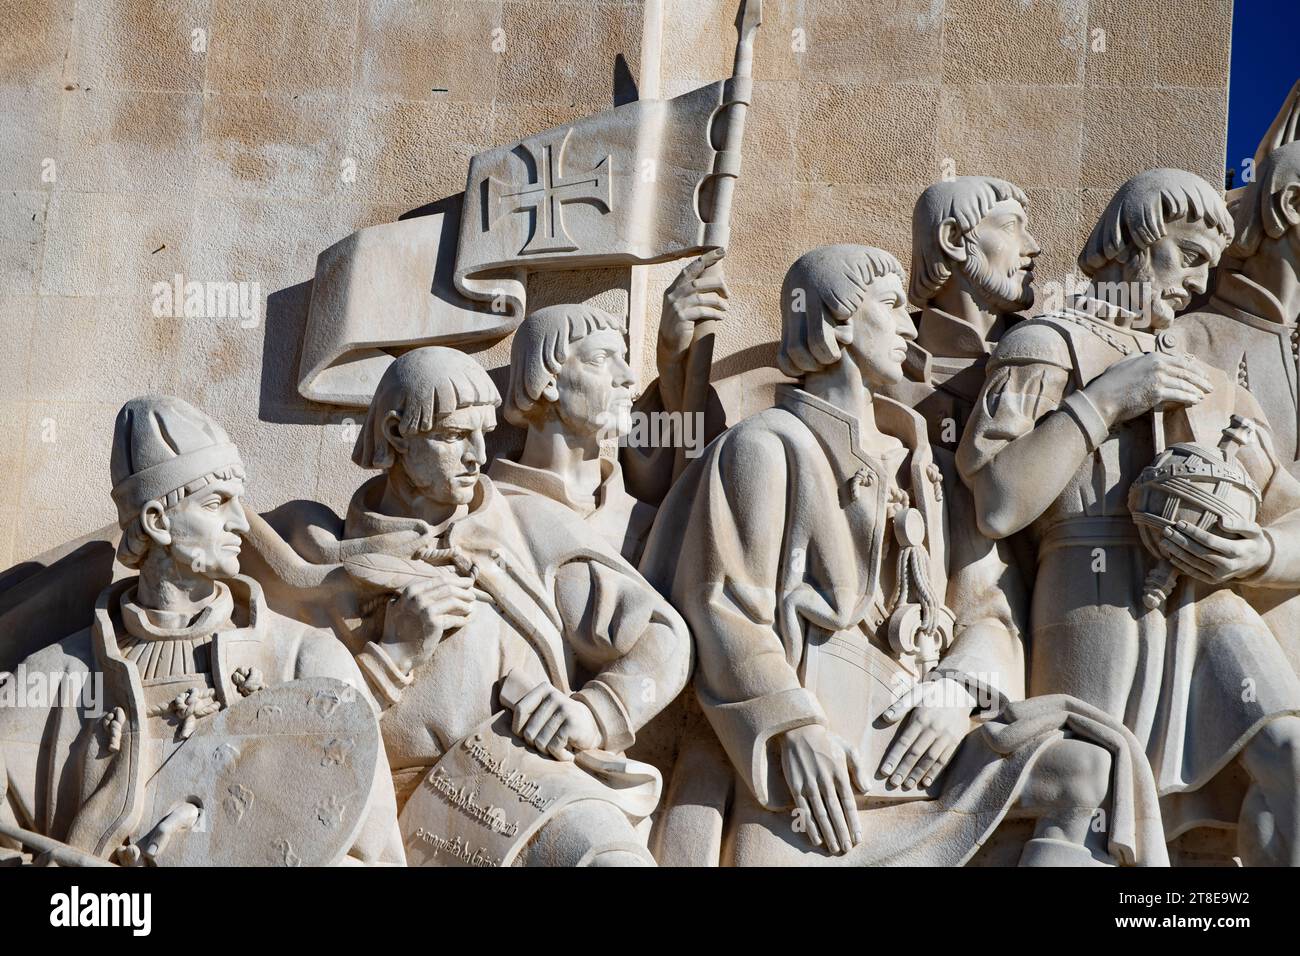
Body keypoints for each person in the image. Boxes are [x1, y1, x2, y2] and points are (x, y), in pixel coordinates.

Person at [641, 244, 1167, 867]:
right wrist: (790, 725)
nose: (909, 324)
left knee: (1088, 771)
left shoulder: (932, 469)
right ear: (833, 325)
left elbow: (990, 610)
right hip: (823, 741)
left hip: (927, 735)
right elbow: (723, 607)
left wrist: (958, 689)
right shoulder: (765, 446)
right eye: (889, 306)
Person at [959, 168, 1300, 864]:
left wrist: (1257, 553)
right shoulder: (1045, 344)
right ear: (1135, 242)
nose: (1199, 283)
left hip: (1209, 604)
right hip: (1092, 597)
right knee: (1092, 810)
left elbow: (1290, 511)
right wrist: (1104, 401)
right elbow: (997, 501)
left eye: (1211, 262)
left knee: (1292, 757)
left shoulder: (1209, 381)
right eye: (1189, 254)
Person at [0, 396, 404, 866]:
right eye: (217, 503)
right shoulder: (52, 678)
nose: (240, 523)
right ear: (157, 521)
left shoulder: (308, 662)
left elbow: (374, 859)